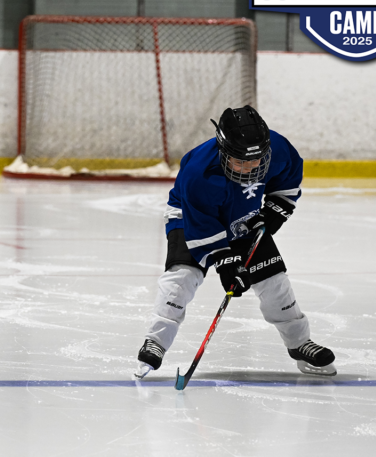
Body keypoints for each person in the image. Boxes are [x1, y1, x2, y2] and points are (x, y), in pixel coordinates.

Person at [134, 105, 336, 379]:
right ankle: (155, 341)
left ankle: (300, 344)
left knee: (274, 280)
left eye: (255, 161)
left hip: (245, 216)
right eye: (240, 162)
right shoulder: (198, 173)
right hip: (189, 218)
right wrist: (227, 264)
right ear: (223, 151)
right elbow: (203, 226)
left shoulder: (277, 147)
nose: (250, 168)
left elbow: (287, 183)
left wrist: (274, 211)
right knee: (182, 277)